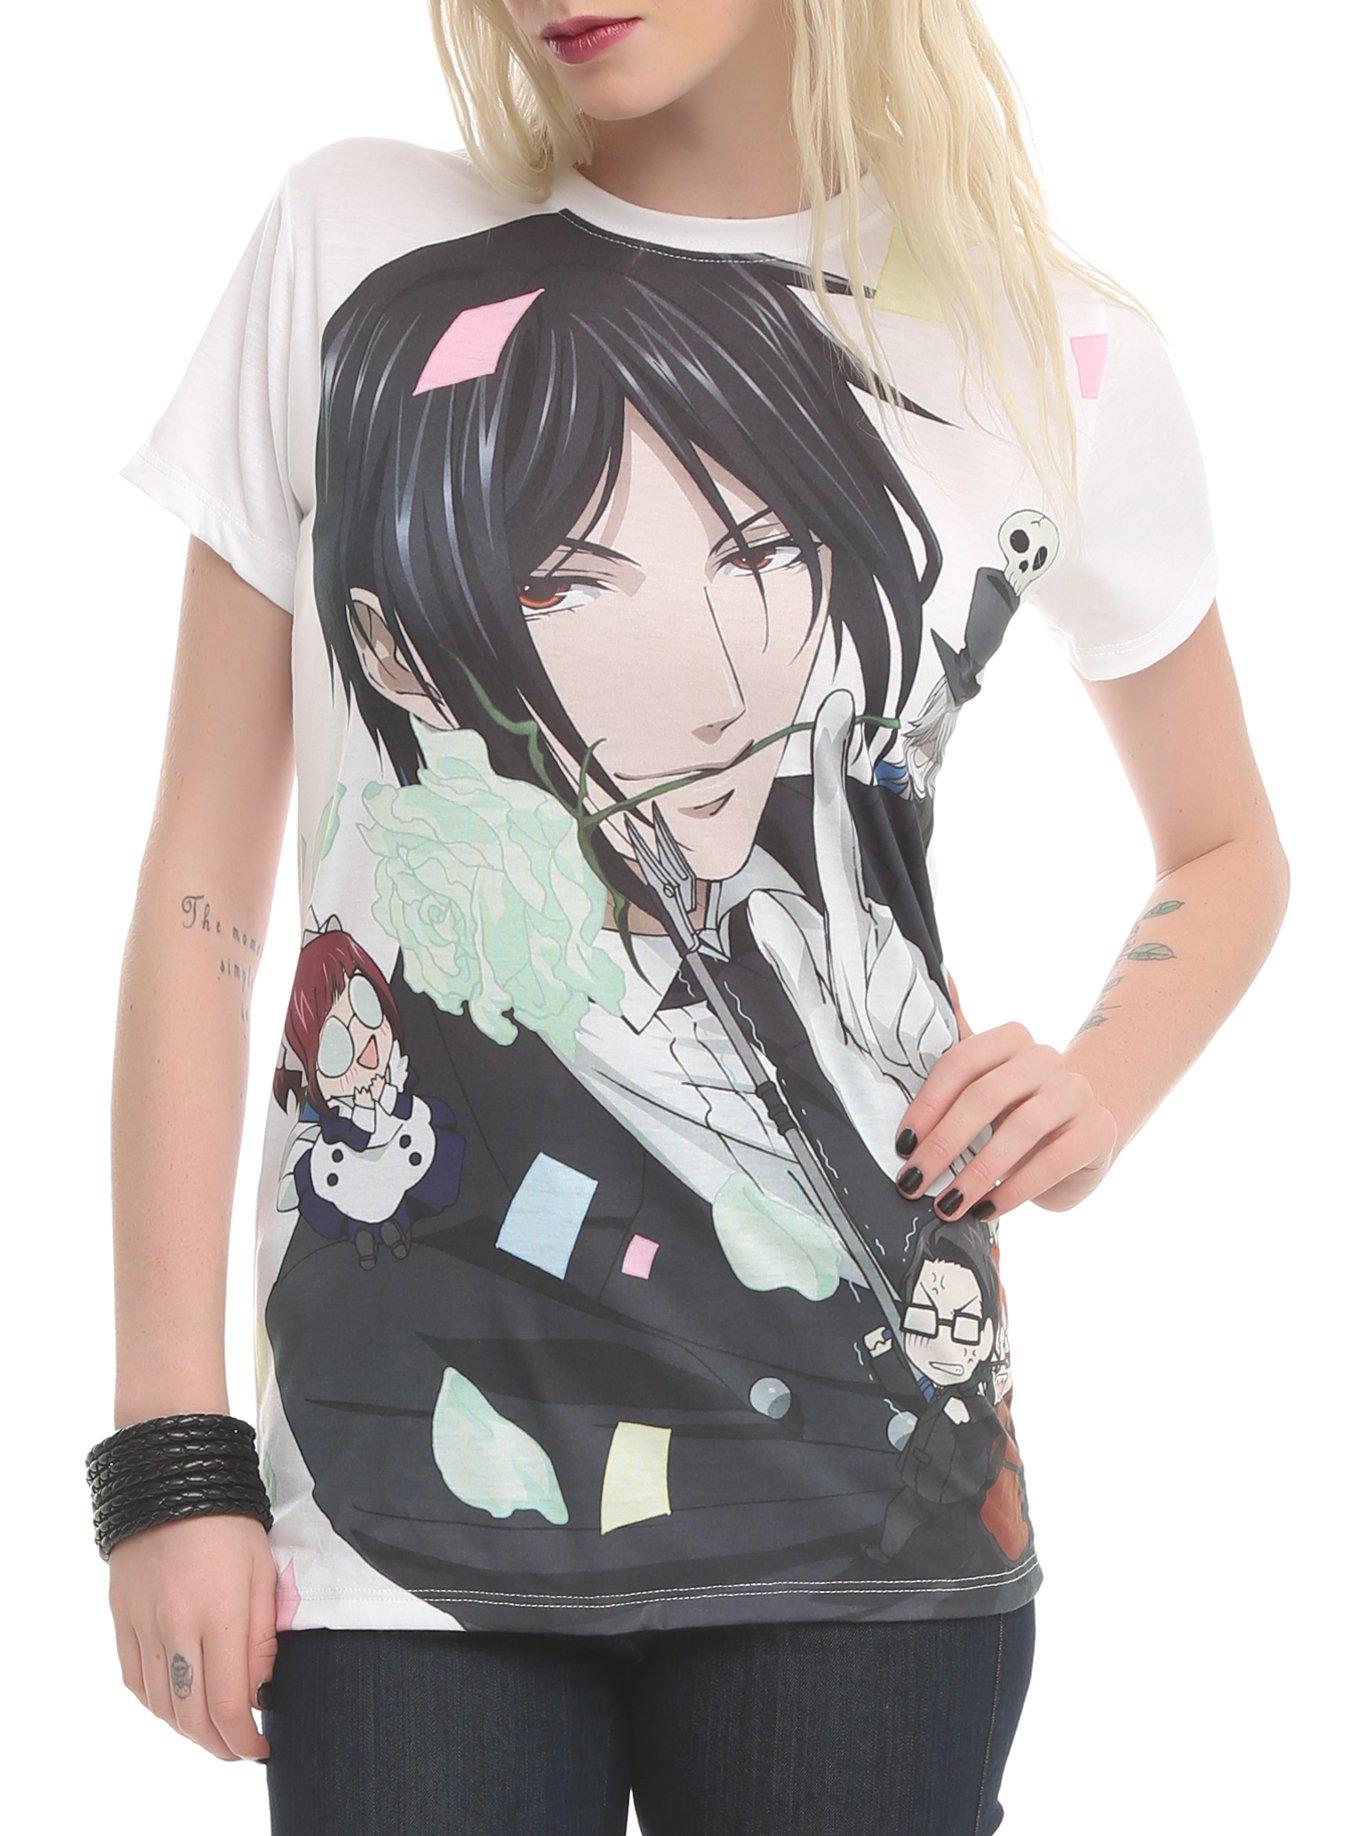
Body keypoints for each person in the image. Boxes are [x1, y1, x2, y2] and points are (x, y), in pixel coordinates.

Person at [97, 4, 1288, 1832]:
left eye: (764, 559)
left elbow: (1227, 844)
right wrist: (173, 1458)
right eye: (571, 581)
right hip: (406, 1505)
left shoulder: (1046, 351)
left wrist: (1099, 1083)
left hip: (871, 1505)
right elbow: (203, 893)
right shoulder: (357, 251)